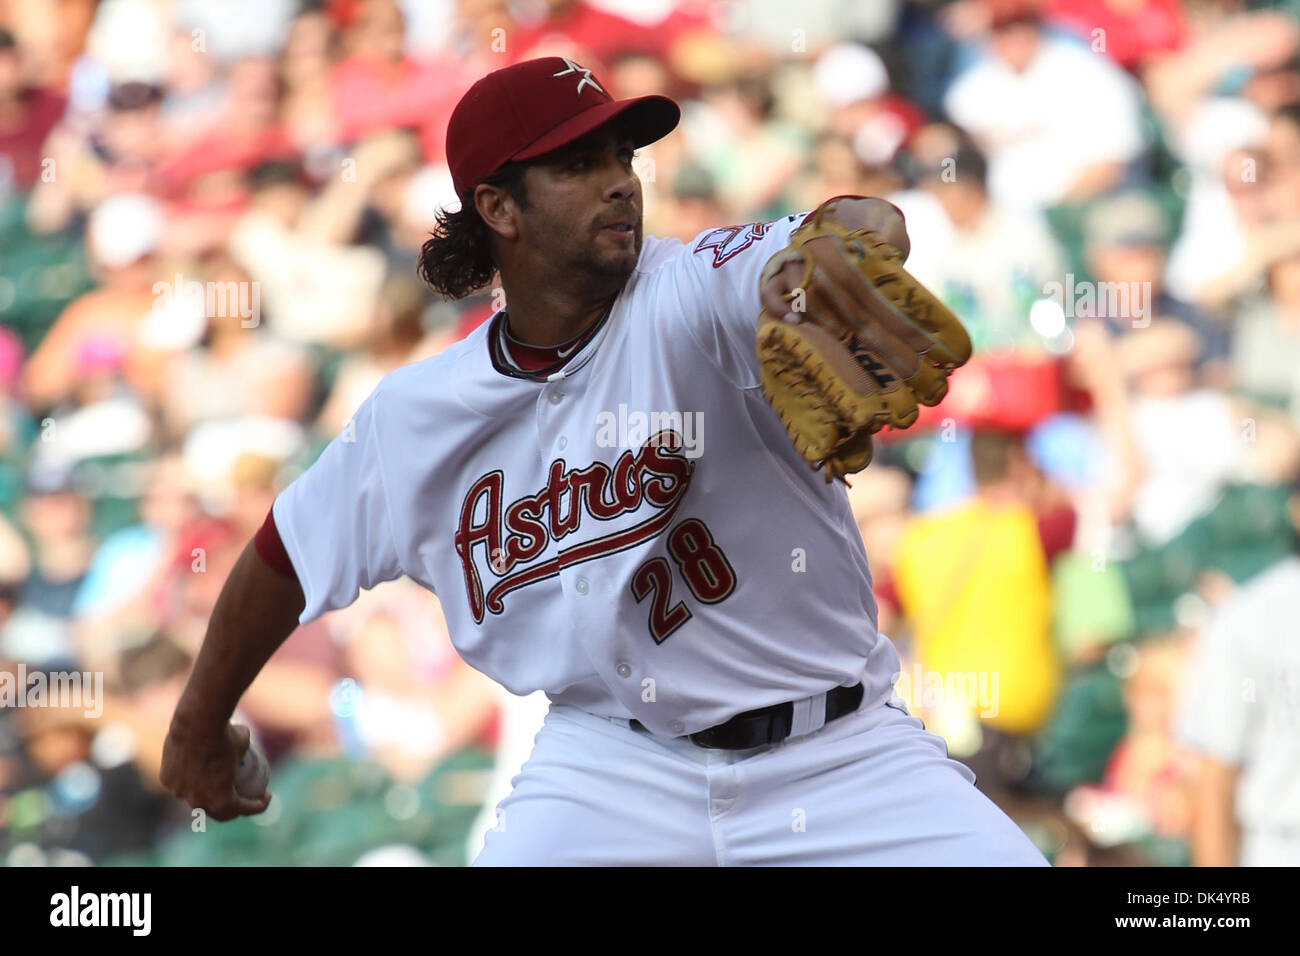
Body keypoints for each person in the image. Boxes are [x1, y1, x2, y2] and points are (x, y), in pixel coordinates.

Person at [160, 56, 1047, 866]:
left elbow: (839, 229)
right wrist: (199, 722)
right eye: (579, 165)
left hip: (840, 756)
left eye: (622, 157)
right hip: (615, 769)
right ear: (499, 208)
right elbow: (285, 556)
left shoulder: (691, 289)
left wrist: (840, 242)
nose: (621, 183)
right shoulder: (416, 418)